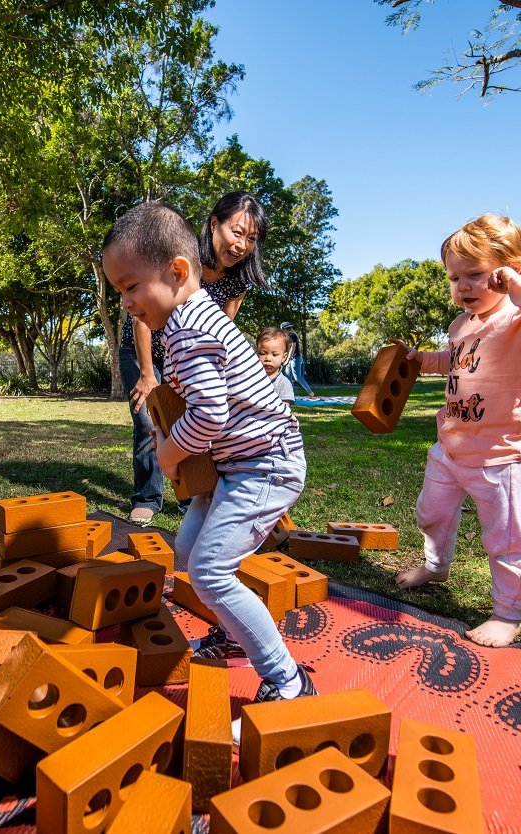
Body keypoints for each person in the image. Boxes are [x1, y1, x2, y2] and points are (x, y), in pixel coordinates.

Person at [102, 201, 315, 709]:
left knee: (210, 570)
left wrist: (168, 454)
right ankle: (234, 636)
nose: (126, 303)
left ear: (177, 272)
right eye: (119, 292)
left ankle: (288, 681)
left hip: (265, 465)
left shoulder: (191, 329)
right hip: (232, 466)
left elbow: (211, 414)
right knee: (189, 549)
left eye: (131, 288)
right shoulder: (185, 321)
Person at [394, 214, 521, 648]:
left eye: (475, 274)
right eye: (455, 277)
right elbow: (456, 361)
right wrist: (422, 359)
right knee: (431, 514)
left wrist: (515, 284)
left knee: (505, 539)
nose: (463, 286)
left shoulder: (520, 319)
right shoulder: (461, 325)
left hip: (502, 456)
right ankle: (436, 567)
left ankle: (508, 612)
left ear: (510, 269)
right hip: (451, 449)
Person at [119, 191, 270, 525]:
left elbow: (222, 329)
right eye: (237, 232)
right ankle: (147, 497)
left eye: (251, 239)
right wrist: (148, 374)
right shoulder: (184, 259)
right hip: (145, 350)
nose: (242, 245)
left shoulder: (237, 281)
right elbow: (141, 316)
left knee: (190, 418)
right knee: (148, 420)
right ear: (214, 224)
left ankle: (192, 495)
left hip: (189, 354)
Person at [257, 326, 295, 404]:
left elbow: (285, 409)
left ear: (284, 357)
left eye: (274, 354)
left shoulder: (284, 384)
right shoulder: (251, 378)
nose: (268, 358)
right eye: (263, 353)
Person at [280, 321, 315, 397]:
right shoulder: (287, 336)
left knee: (297, 377)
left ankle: (310, 392)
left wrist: (288, 359)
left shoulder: (292, 336)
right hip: (290, 359)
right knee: (288, 378)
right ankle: (291, 395)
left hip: (296, 359)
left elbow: (292, 348)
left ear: (284, 329)